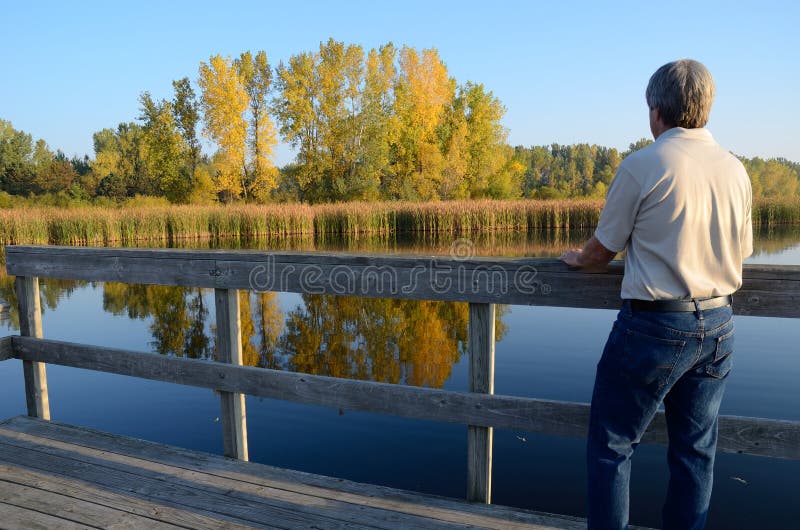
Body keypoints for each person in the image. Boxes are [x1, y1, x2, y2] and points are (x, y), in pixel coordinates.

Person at [559, 59, 753, 530]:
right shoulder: (735, 170)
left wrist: (577, 259)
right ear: (706, 106)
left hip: (655, 326)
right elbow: (742, 250)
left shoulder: (644, 164)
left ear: (656, 110)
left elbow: (603, 249)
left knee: (612, 444)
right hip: (719, 324)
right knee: (695, 451)